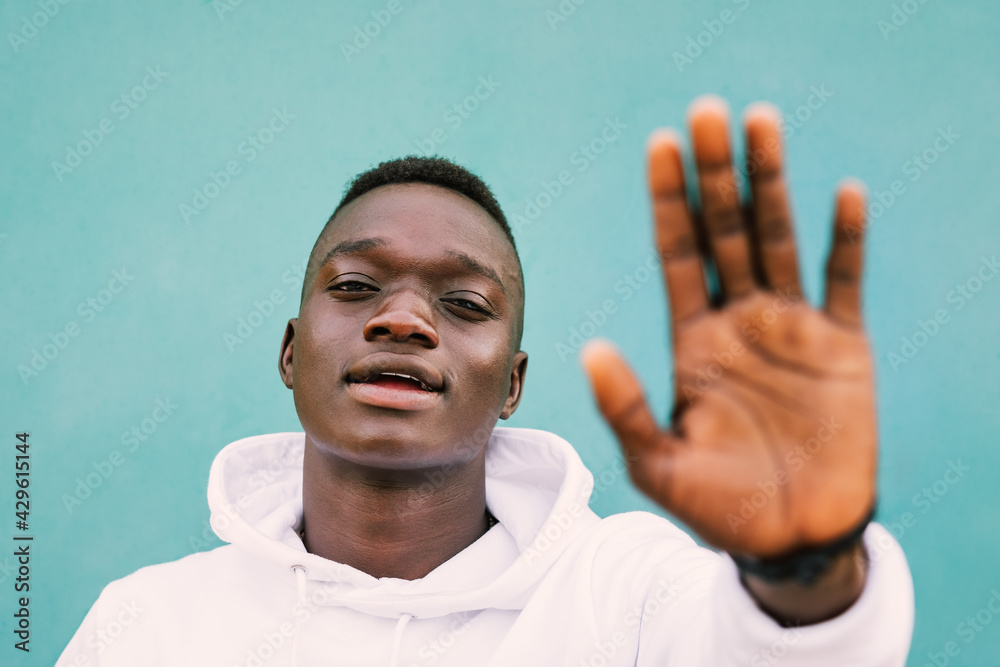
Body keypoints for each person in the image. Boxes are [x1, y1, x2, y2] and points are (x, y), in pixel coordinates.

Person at [57, 96, 914, 666]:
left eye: (464, 303)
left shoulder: (630, 591)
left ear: (512, 384)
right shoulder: (146, 624)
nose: (403, 319)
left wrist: (803, 565)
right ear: (289, 353)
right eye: (354, 286)